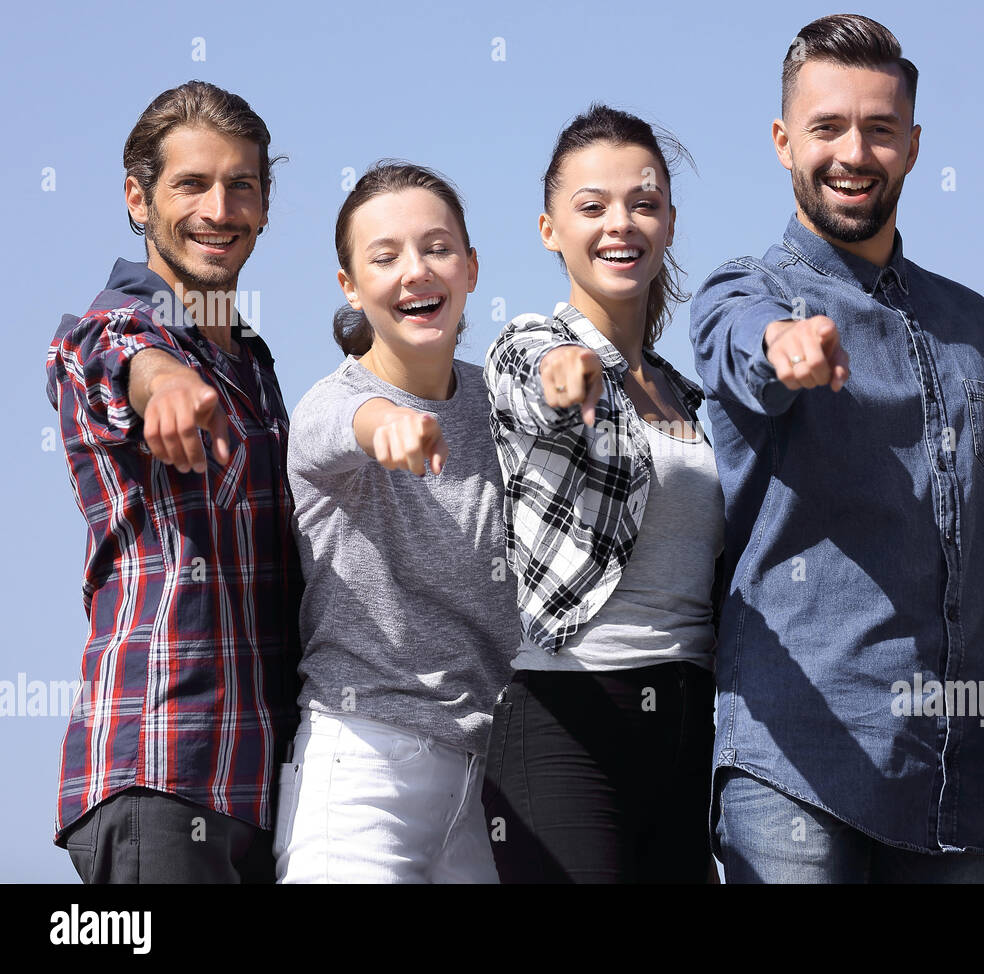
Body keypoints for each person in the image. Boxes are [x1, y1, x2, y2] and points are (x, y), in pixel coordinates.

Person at [690, 14, 984, 883]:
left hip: (960, 781)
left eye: (879, 129)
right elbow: (737, 342)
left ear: (913, 146)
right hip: (796, 769)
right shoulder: (748, 288)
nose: (854, 152)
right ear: (782, 142)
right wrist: (782, 349)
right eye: (827, 127)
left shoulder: (972, 324)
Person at [45, 81, 301, 883]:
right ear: (138, 198)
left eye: (241, 185)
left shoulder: (256, 369)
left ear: (264, 204)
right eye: (191, 184)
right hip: (164, 767)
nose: (218, 208)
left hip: (266, 786)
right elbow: (103, 351)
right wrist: (160, 380)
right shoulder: (123, 330)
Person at [481, 105, 722, 883]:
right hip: (570, 721)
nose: (620, 224)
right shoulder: (527, 343)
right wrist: (567, 375)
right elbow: (531, 373)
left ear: (671, 223)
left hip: (693, 729)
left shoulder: (691, 398)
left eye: (642, 203)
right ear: (550, 229)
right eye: (592, 207)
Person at [272, 162, 515, 883]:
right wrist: (389, 426)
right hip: (362, 768)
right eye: (385, 257)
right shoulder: (331, 401)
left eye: (438, 249)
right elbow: (345, 425)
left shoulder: (502, 403)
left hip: (488, 782)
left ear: (470, 268)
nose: (417, 271)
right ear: (350, 285)